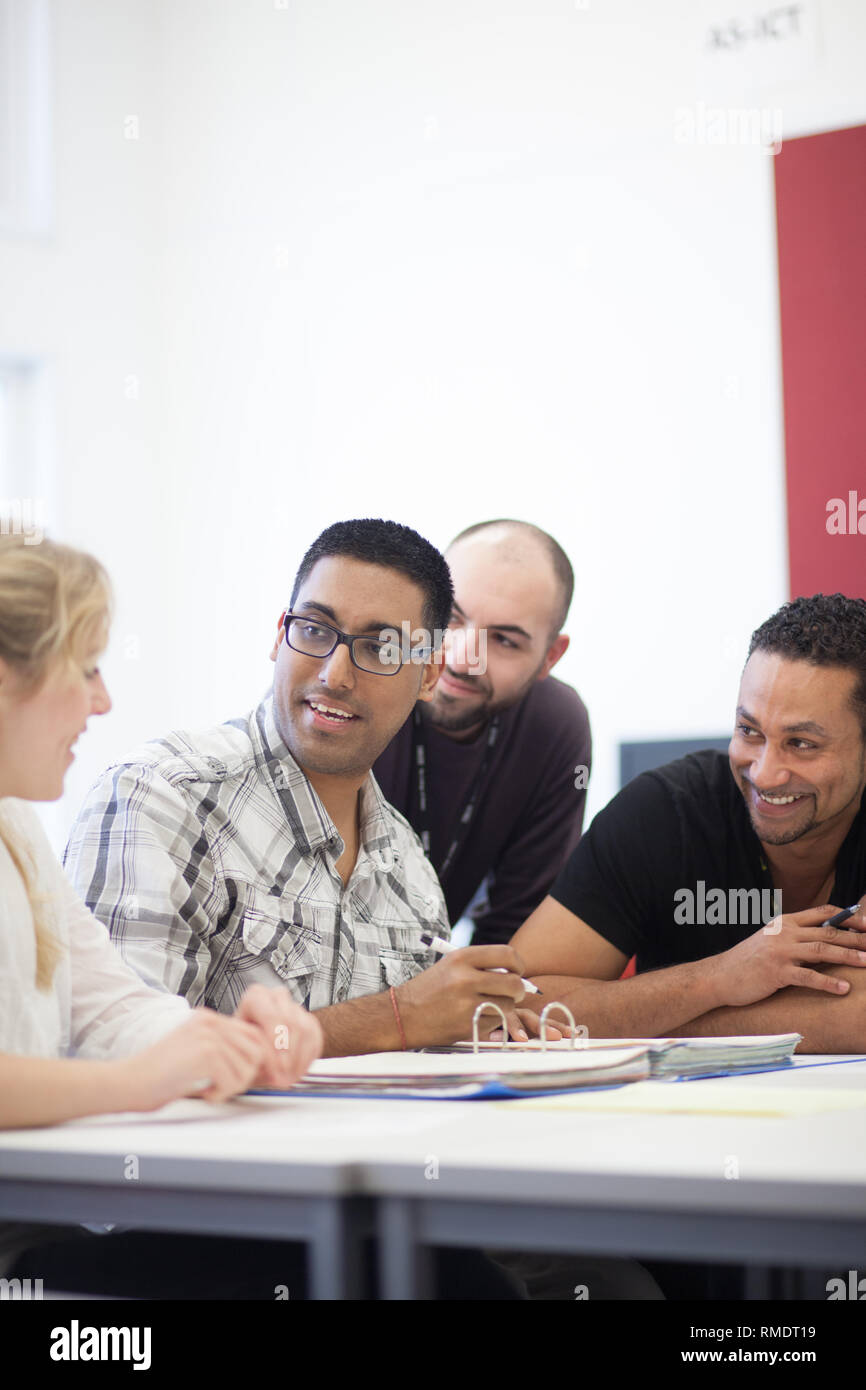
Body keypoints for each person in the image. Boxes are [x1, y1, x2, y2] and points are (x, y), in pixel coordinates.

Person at [64, 519, 548, 1051]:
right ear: (280, 635)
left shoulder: (411, 872)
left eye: (381, 649)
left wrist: (487, 1031)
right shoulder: (160, 797)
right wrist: (397, 1017)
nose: (334, 675)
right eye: (314, 630)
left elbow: (422, 1055)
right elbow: (115, 1051)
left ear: (429, 677)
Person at [0, 532, 324, 1296]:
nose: (103, 700)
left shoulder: (16, 826)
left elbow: (110, 1006)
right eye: (84, 670)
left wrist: (224, 1042)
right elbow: (128, 1069)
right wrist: (141, 1082)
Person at [511, 593, 866, 1052]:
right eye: (750, 732)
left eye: (801, 743)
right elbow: (513, 1001)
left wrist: (643, 1023)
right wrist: (717, 979)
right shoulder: (663, 811)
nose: (763, 772)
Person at [374, 519, 591, 946]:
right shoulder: (358, 680)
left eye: (505, 640)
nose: (461, 659)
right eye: (450, 617)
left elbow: (514, 939)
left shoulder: (555, 728)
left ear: (550, 656)